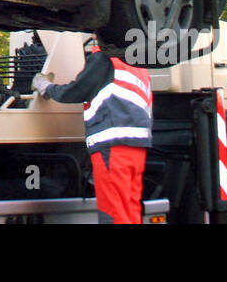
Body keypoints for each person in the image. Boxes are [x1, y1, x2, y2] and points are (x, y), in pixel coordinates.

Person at [33, 34, 152, 223]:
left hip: (112, 147)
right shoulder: (137, 65)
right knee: (129, 208)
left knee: (113, 211)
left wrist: (46, 87)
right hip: (136, 147)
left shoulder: (104, 59)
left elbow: (75, 91)